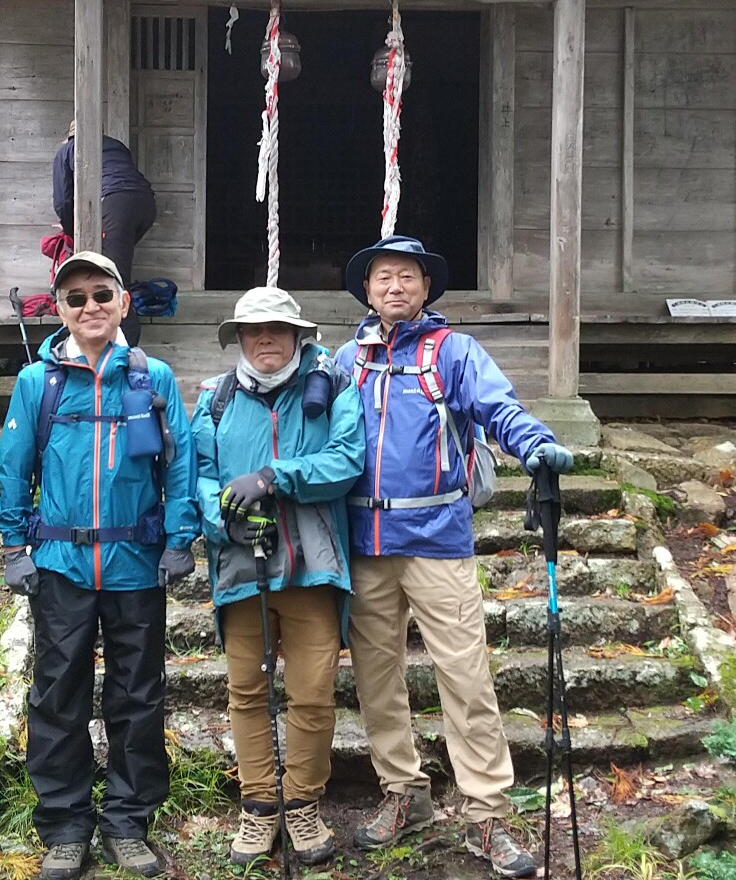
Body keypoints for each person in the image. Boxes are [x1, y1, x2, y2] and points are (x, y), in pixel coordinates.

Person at [333, 235, 575, 880]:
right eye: (383, 277)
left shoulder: (455, 352)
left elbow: (499, 409)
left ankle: (486, 810)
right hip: (363, 541)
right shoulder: (345, 358)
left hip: (437, 536)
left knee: (465, 676)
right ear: (366, 289)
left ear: (425, 288)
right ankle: (403, 792)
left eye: (406, 277)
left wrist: (537, 445)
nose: (394, 287)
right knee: (377, 678)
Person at [0, 250, 196, 880]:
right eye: (75, 298)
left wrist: (180, 537)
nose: (90, 308)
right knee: (58, 696)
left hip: (136, 563)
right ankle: (65, 823)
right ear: (59, 309)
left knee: (137, 695)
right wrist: (14, 547)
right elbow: (13, 468)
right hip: (61, 564)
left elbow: (180, 464)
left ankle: (128, 822)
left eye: (102, 295)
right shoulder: (39, 382)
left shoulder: (153, 378)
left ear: (124, 303)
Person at [192, 287, 363, 868]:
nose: (265, 339)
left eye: (277, 330)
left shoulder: (333, 389)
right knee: (245, 692)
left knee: (313, 695)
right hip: (243, 568)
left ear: (298, 336)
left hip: (312, 568)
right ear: (238, 338)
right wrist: (225, 523)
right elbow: (200, 478)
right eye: (253, 330)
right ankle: (260, 803)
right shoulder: (214, 401)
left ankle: (303, 803)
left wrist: (272, 477)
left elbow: (345, 461)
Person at [52, 125, 156, 345]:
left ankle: (126, 345)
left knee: (115, 278)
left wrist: (71, 232)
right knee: (112, 265)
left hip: (116, 204)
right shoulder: (116, 146)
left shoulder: (68, 149)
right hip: (146, 204)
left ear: (69, 136)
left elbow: (62, 201)